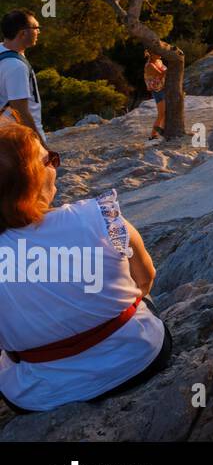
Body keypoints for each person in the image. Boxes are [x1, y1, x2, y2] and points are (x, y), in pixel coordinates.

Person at [0, 124, 170, 413]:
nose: (55, 165)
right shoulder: (103, 217)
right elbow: (146, 277)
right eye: (49, 160)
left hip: (41, 395)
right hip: (139, 359)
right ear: (32, 178)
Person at [0, 10, 45, 146]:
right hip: (17, 139)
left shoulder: (2, 50)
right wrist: (41, 144)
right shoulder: (16, 66)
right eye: (36, 28)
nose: (39, 32)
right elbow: (20, 111)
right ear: (23, 33)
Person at [143, 51, 167, 140]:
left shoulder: (159, 61)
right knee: (164, 113)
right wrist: (172, 67)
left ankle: (154, 135)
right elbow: (160, 74)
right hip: (158, 90)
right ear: (152, 55)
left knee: (162, 113)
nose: (160, 52)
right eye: (157, 51)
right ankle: (163, 132)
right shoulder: (150, 65)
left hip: (160, 89)